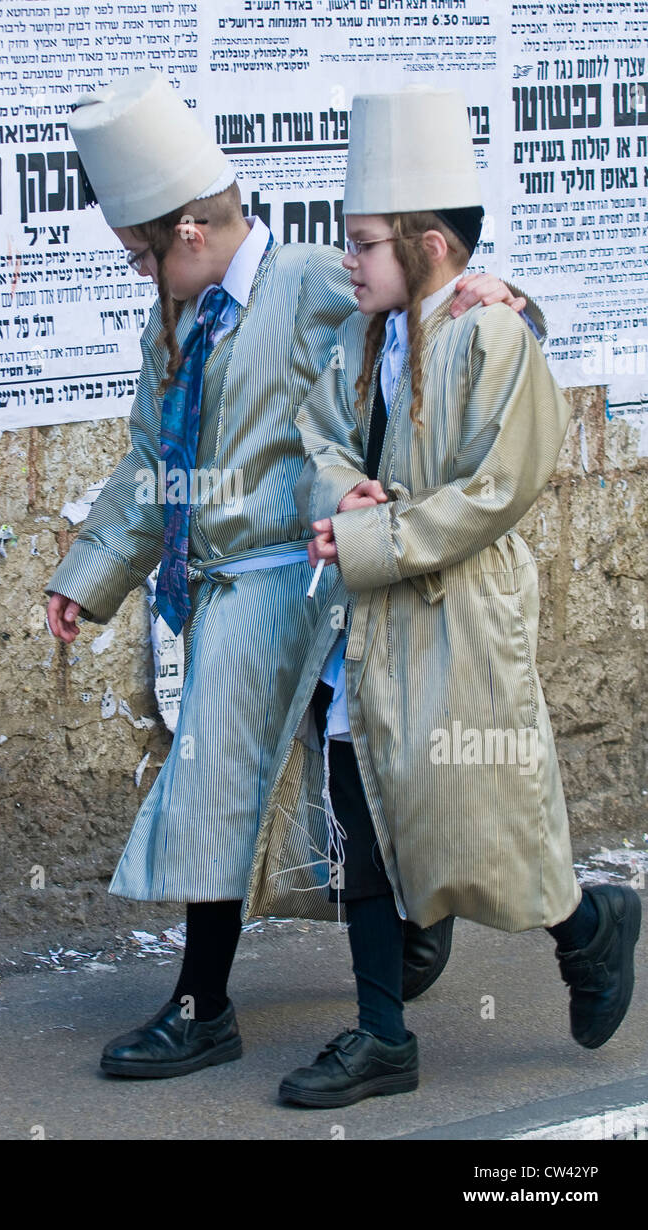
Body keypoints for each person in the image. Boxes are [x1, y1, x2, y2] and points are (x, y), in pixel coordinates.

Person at [46, 70, 540, 1079]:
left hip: (312, 578)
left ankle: (247, 989)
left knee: (289, 781)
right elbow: (156, 463)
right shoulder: (177, 324)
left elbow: (437, 328)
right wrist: (89, 572)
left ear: (188, 231)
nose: (140, 273)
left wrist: (512, 296)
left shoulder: (317, 277)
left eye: (141, 253)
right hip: (231, 585)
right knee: (261, 787)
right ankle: (334, 950)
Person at [245, 86, 641, 1109]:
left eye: (366, 243)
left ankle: (587, 926)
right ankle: (383, 1031)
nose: (349, 259)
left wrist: (370, 536)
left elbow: (495, 491)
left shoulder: (494, 340)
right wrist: (341, 490)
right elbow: (318, 439)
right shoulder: (359, 335)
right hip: (369, 620)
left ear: (425, 243)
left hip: (455, 615)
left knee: (488, 810)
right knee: (359, 797)